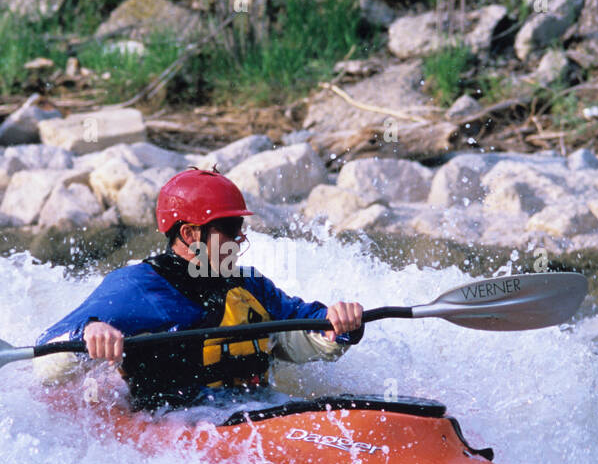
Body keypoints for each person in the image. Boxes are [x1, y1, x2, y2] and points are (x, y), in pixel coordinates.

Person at [35, 167, 364, 410]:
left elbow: (299, 331)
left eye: (240, 227)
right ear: (191, 234)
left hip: (258, 412)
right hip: (177, 424)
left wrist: (337, 326)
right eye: (231, 228)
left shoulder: (249, 284)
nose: (241, 238)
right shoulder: (138, 286)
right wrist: (91, 331)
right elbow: (48, 355)